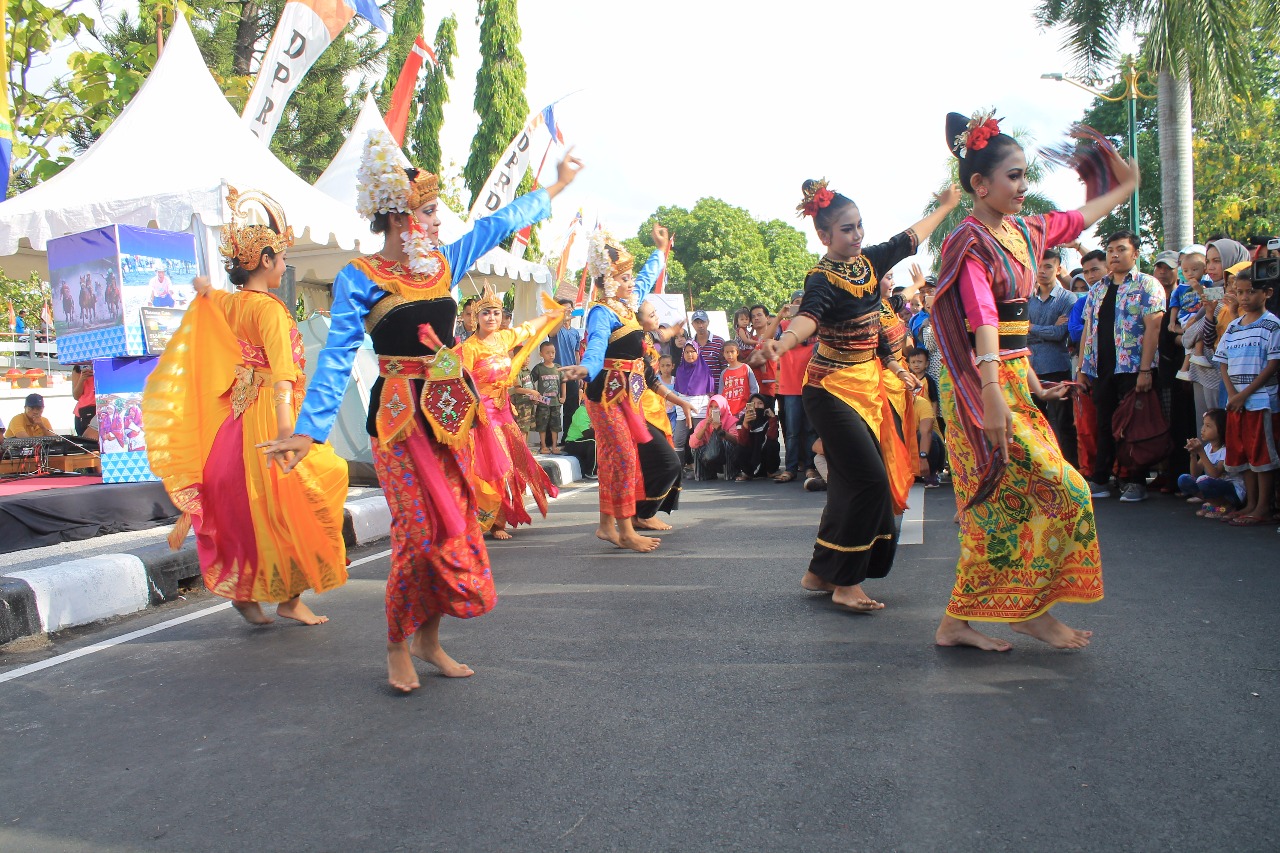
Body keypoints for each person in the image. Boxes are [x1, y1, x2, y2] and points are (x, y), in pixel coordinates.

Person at [261, 130, 582, 691]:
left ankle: (429, 639)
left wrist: (554, 186)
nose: (437, 221)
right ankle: (397, 645)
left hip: (452, 421)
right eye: (427, 211)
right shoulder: (361, 277)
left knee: (456, 530)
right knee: (415, 536)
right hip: (399, 426)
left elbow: (496, 226)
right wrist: (309, 434)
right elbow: (336, 358)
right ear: (396, 217)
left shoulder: (441, 264)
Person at [931, 111, 1138, 652]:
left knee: (1022, 500)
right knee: (1023, 498)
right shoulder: (969, 240)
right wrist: (995, 394)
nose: (1024, 186)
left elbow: (1080, 215)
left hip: (1009, 385)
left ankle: (1003, 615)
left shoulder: (1027, 230)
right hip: (979, 392)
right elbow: (983, 317)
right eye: (1014, 176)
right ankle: (1005, 616)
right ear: (980, 184)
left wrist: (1127, 185)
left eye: (1026, 175)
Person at [143, 186, 349, 627]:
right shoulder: (270, 311)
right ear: (266, 260)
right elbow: (281, 375)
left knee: (248, 508)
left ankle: (251, 592)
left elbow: (209, 296)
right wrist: (284, 432)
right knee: (308, 491)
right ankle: (287, 596)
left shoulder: (233, 304)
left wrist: (203, 286)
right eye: (281, 259)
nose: (284, 266)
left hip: (233, 422)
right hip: (265, 419)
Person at [755, 177, 960, 613]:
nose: (858, 235)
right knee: (869, 481)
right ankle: (847, 582)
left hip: (866, 387)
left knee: (851, 483)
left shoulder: (868, 263)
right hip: (829, 391)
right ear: (824, 235)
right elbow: (808, 318)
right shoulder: (821, 278)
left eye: (859, 226)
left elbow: (909, 238)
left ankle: (822, 572)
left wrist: (943, 208)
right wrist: (786, 341)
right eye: (847, 229)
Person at [560, 226, 691, 553]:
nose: (631, 281)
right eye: (623, 277)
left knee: (615, 457)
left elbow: (647, 276)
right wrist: (586, 369)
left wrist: (661, 251)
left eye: (629, 276)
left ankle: (607, 526)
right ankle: (626, 529)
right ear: (607, 281)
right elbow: (595, 350)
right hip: (606, 397)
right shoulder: (601, 313)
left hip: (626, 398)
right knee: (622, 457)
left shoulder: (628, 304)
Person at [460, 286, 564, 540]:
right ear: (476, 317)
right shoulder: (469, 347)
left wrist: (550, 314)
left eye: (496, 313)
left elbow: (527, 328)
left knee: (510, 463)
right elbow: (461, 382)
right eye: (486, 313)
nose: (492, 318)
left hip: (503, 409)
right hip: (482, 413)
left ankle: (501, 516)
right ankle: (494, 521)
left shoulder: (504, 339)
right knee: (491, 466)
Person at [1078, 228, 1167, 503]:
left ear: (1136, 253)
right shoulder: (1098, 288)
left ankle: (1135, 481)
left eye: (1121, 249)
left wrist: (1144, 370)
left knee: (1133, 426)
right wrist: (1082, 369)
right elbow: (1086, 331)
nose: (1115, 255)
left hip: (1133, 368)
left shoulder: (1148, 285)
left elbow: (1153, 330)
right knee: (1104, 423)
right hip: (1100, 368)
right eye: (1111, 250)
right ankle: (1102, 479)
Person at [1213, 266, 1279, 526]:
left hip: (1261, 400)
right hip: (1236, 401)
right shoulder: (1233, 327)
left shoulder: (1272, 325)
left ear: (1267, 293)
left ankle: (1263, 506)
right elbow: (1223, 363)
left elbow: (1272, 365)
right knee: (1243, 455)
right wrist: (1232, 394)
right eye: (1239, 292)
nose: (1244, 297)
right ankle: (1250, 503)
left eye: (1251, 292)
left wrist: (1244, 395)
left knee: (1262, 455)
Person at [1027, 248, 1078, 464]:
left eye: (1048, 266)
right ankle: (1042, 468)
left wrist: (1031, 328)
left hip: (1057, 367)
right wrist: (1041, 329)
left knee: (1062, 422)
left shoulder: (1068, 298)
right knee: (1035, 423)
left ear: (1058, 269)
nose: (1042, 271)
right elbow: (1019, 332)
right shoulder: (1026, 298)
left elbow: (1060, 334)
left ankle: (1069, 467)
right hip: (1030, 370)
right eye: (1039, 266)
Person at [772, 292, 819, 484]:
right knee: (791, 431)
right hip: (790, 387)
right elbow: (765, 339)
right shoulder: (783, 327)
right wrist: (779, 316)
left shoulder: (816, 328)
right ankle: (790, 468)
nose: (799, 306)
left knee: (810, 429)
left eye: (803, 303)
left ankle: (809, 467)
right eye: (796, 303)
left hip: (811, 386)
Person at [1179, 409, 1244, 517]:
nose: (1203, 429)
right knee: (1184, 479)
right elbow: (1195, 474)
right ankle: (1215, 504)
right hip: (1215, 488)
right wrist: (1193, 454)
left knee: (1204, 481)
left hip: (1232, 492)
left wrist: (1201, 452)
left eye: (1208, 426)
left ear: (1221, 429)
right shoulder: (1208, 448)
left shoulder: (1226, 450)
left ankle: (1226, 505)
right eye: (1203, 425)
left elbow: (1215, 474)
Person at [672, 339, 716, 465]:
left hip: (700, 409)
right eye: (686, 352)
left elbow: (710, 391)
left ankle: (702, 467)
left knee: (700, 438)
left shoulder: (705, 370)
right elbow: (678, 391)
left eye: (692, 351)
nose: (689, 354)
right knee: (678, 440)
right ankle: (679, 469)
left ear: (698, 352)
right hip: (682, 410)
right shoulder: (680, 370)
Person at [688, 395, 739, 481]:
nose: (713, 409)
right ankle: (704, 474)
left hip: (724, 456)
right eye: (711, 406)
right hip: (708, 457)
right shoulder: (703, 423)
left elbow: (736, 441)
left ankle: (731, 473)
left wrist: (721, 432)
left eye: (717, 407)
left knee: (727, 444)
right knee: (696, 447)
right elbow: (692, 444)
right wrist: (705, 427)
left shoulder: (731, 421)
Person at [553, 297, 583, 429]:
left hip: (571, 374)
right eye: (563, 309)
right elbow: (551, 332)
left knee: (572, 408)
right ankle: (549, 442)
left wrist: (579, 373)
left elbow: (577, 353)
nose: (567, 311)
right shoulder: (556, 328)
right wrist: (561, 318)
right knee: (552, 408)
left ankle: (568, 438)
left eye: (569, 309)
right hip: (556, 373)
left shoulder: (575, 333)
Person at [735, 392, 780, 480]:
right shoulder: (742, 420)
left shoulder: (768, 419)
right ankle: (748, 473)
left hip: (765, 459)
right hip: (750, 458)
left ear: (765, 405)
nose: (756, 406)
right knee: (739, 448)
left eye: (760, 403)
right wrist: (745, 423)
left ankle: (770, 471)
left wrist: (772, 419)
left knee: (773, 444)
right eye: (753, 404)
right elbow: (743, 441)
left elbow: (772, 437)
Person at [531, 340, 565, 454]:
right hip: (543, 403)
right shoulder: (538, 368)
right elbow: (530, 382)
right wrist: (535, 395)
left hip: (555, 403)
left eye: (553, 352)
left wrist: (563, 396)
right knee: (542, 425)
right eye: (548, 353)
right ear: (541, 354)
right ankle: (544, 446)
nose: (551, 355)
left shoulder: (558, 368)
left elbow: (563, 382)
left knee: (555, 425)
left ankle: (555, 446)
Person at [717, 340, 758, 418]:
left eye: (732, 351)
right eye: (727, 352)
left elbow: (754, 388)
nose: (730, 354)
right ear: (723, 354)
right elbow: (721, 393)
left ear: (737, 352)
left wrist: (750, 406)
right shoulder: (724, 373)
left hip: (744, 410)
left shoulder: (745, 368)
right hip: (728, 412)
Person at [561, 403, 596, 478]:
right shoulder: (582, 411)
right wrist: (597, 426)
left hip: (583, 441)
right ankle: (591, 472)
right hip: (573, 443)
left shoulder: (594, 412)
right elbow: (587, 433)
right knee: (594, 443)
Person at [690, 309, 725, 381]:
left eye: (703, 322)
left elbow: (725, 366)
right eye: (697, 322)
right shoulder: (689, 344)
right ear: (692, 324)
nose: (700, 326)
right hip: (696, 389)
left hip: (717, 389)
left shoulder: (719, 342)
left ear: (708, 322)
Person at [70, 363, 96, 436]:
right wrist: (82, 379)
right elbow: (76, 396)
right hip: (83, 414)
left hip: (101, 410)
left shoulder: (105, 365)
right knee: (85, 443)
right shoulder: (78, 369)